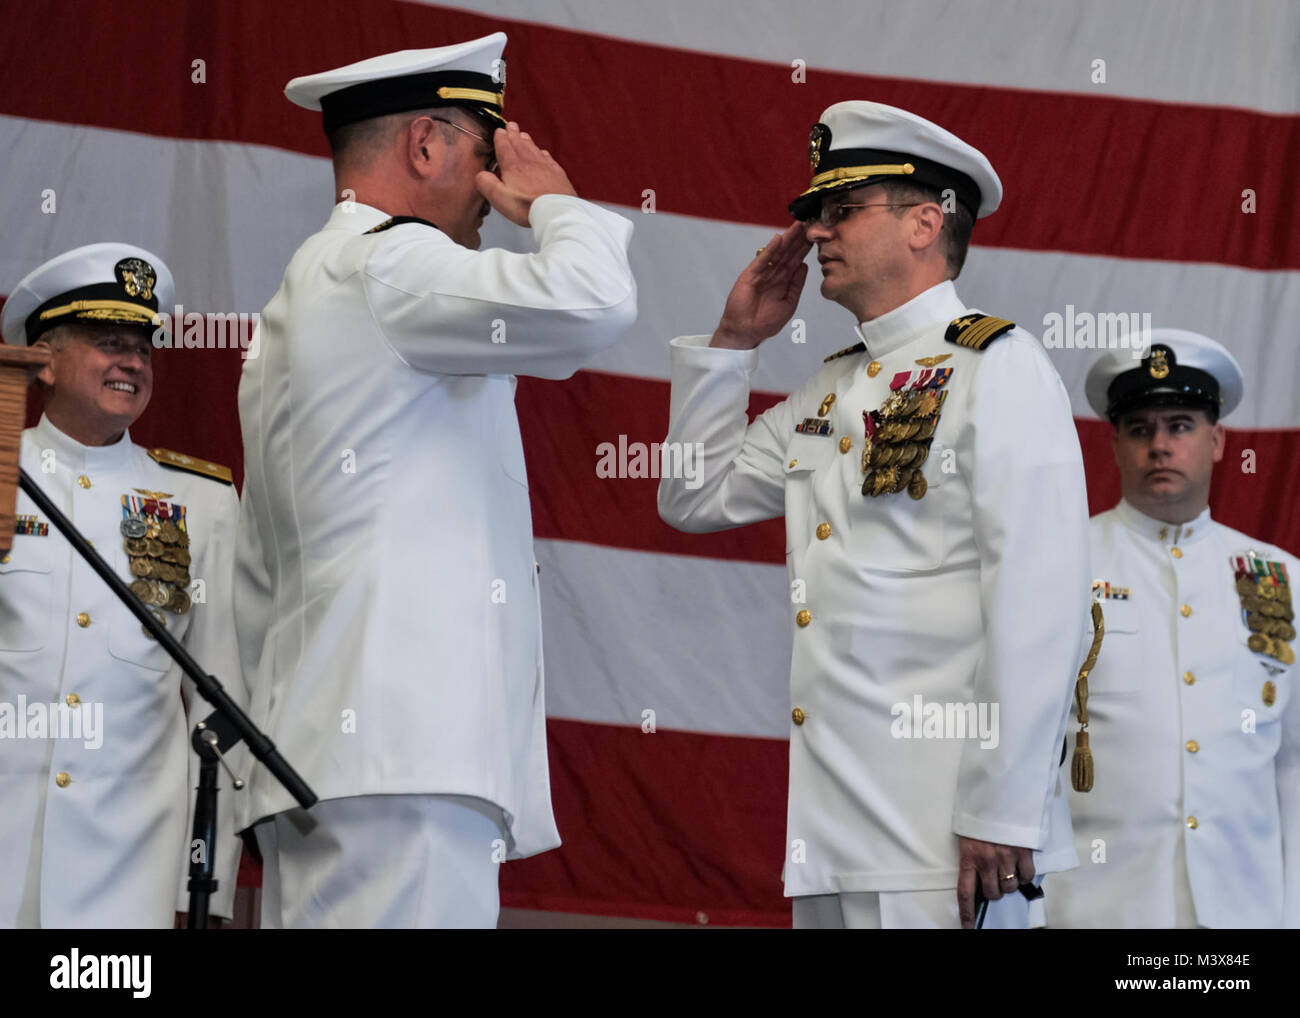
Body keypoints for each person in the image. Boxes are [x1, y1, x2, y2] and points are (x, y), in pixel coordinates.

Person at [234, 32, 637, 928]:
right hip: (405, 761)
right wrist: (559, 206)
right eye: (488, 155)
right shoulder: (392, 264)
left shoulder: (295, 300)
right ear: (425, 145)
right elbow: (593, 303)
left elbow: (257, 573)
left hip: (325, 759)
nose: (498, 191)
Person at [657, 100, 1091, 929]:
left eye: (843, 210)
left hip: (951, 842)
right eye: (817, 214)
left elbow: (1041, 600)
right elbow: (690, 496)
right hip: (834, 836)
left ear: (926, 222)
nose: (819, 232)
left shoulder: (997, 365)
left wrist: (1002, 812)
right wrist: (730, 343)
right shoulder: (830, 387)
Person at [0, 243, 245, 928]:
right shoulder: (4, 475)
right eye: (109, 342)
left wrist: (207, 883)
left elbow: (219, 705)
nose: (133, 362)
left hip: (128, 879)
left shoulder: (201, 502)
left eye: (143, 348)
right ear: (44, 360)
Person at [1048, 329, 1298, 928]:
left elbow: (1292, 761)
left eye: (1180, 425)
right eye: (1141, 429)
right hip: (1096, 908)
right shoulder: (1060, 565)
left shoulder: (1281, 579)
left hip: (1245, 916)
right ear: (1114, 445)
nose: (1161, 445)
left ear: (1217, 442)